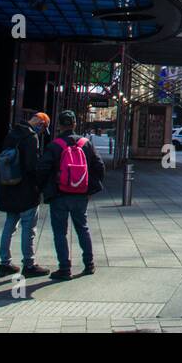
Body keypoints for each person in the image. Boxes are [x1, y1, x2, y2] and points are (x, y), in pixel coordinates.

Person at [36, 110, 104, 280]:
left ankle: (65, 269)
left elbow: (42, 169)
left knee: (60, 232)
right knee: (83, 228)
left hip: (59, 195)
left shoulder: (54, 146)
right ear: (74, 124)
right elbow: (99, 166)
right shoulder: (86, 144)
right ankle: (89, 265)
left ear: (59, 125)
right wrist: (90, 189)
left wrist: (44, 190)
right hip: (81, 195)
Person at [0, 112, 50, 277]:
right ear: (40, 123)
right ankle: (29, 263)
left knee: (9, 226)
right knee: (29, 228)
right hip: (26, 190)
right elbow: (31, 166)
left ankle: (4, 263)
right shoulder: (31, 137)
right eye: (43, 129)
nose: (42, 133)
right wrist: (39, 187)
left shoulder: (12, 133)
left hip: (9, 187)